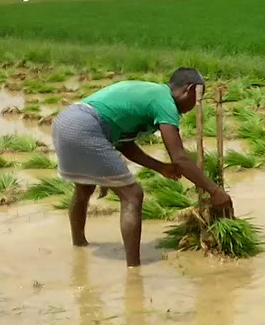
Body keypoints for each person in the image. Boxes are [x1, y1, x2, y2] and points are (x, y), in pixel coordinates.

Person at [52, 68, 232, 267]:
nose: (193, 107)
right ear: (188, 90)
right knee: (132, 195)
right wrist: (214, 191)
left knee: (84, 188)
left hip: (65, 121)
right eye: (196, 99)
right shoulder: (165, 102)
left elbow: (125, 145)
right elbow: (179, 157)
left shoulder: (152, 93)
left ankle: (79, 247)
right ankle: (134, 269)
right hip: (86, 126)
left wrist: (161, 167)